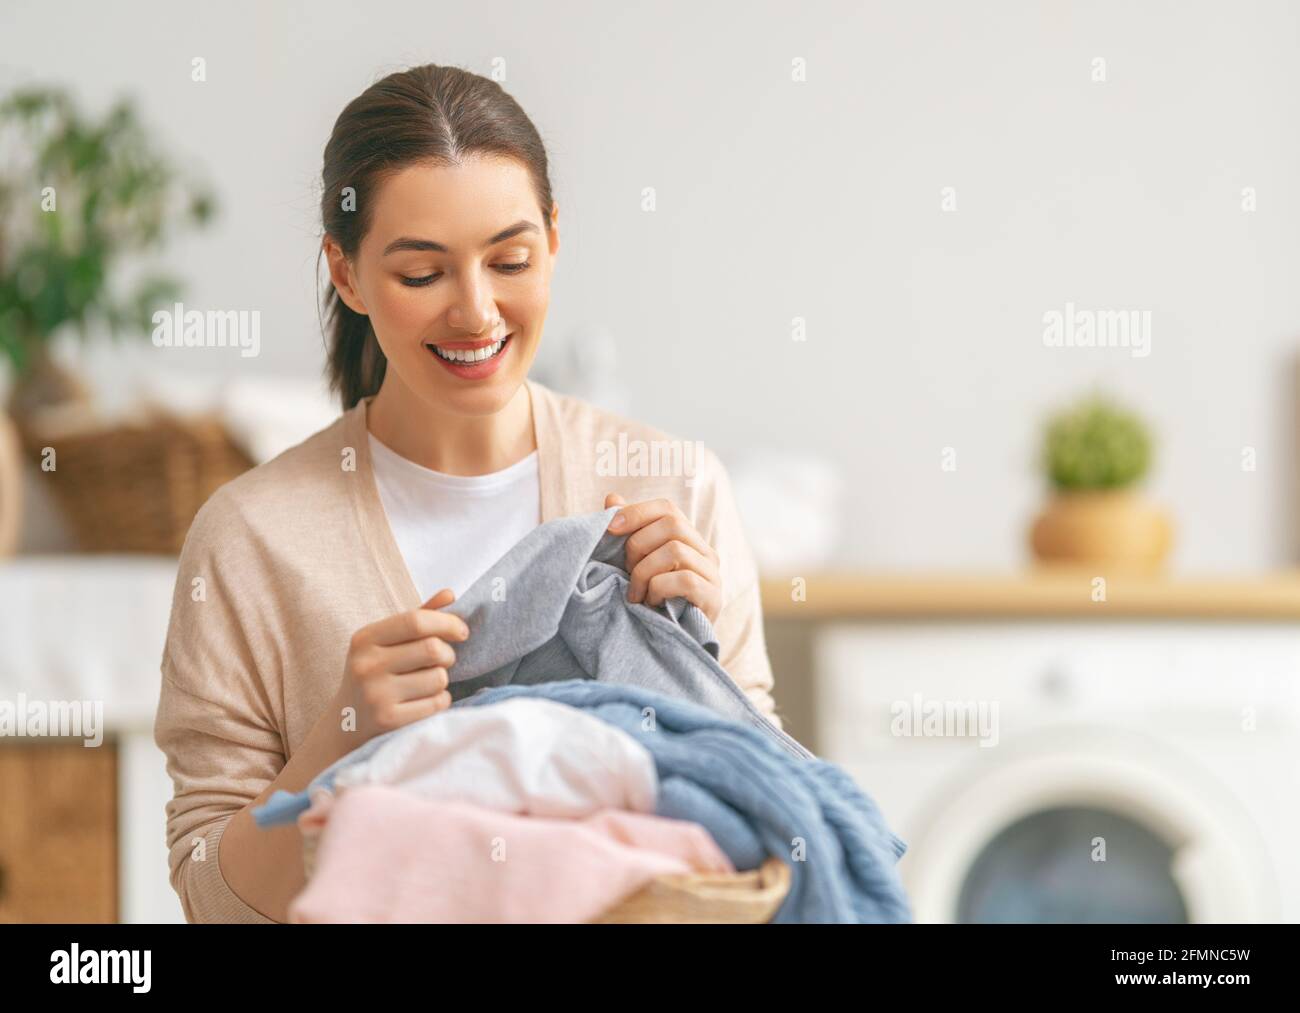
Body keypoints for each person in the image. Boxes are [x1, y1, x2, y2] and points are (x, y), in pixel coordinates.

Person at [154, 63, 779, 924]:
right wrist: (343, 735)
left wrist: (699, 672)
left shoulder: (674, 488)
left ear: (554, 240)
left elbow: (777, 819)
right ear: (345, 272)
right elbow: (209, 894)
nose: (477, 312)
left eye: (510, 259)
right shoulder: (251, 539)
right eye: (422, 275)